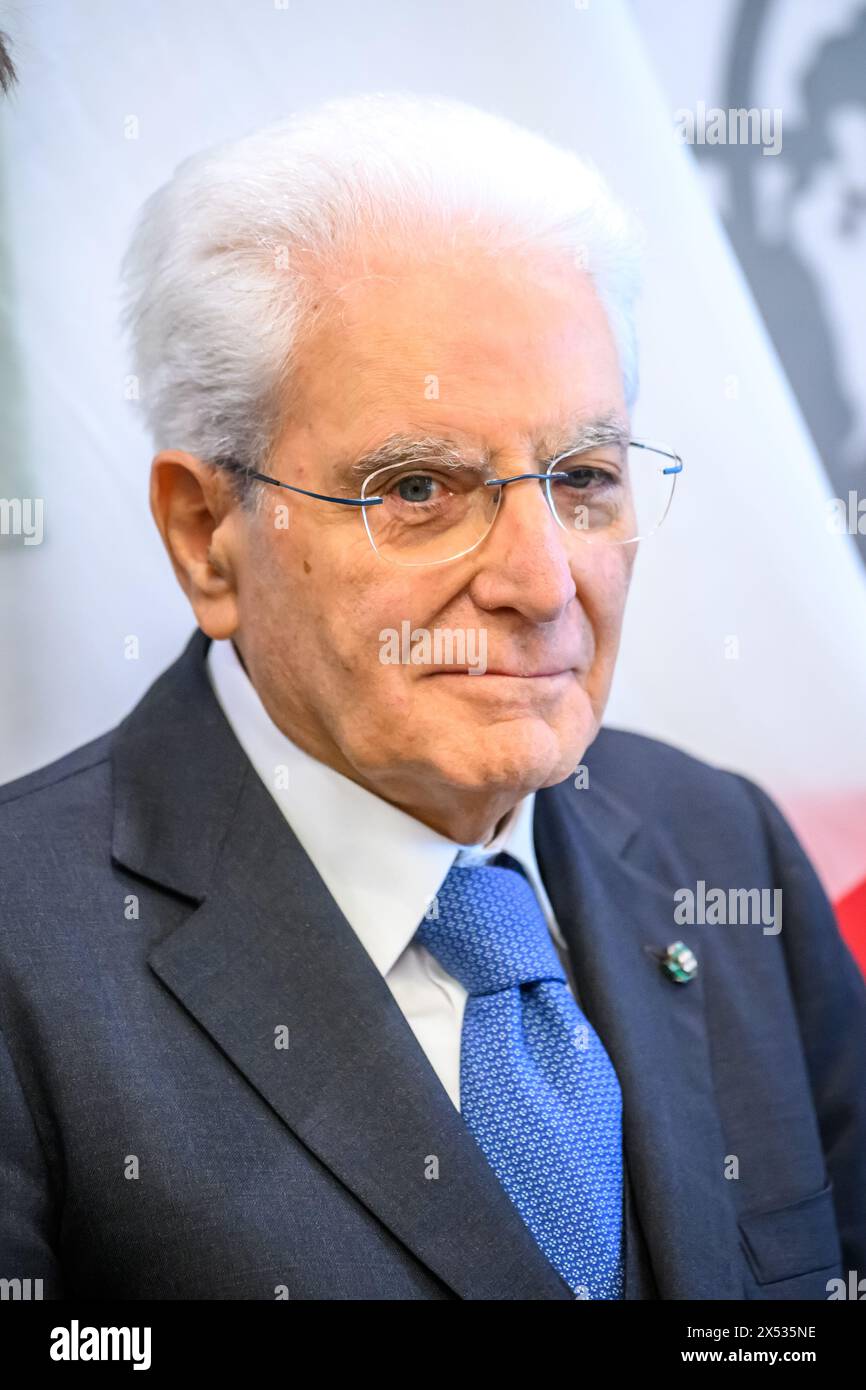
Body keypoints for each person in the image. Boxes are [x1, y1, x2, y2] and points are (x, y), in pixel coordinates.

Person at [1, 92, 864, 1301]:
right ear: (207, 535)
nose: (542, 581)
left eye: (583, 477)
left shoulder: (725, 849)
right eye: (417, 487)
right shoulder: (24, 951)